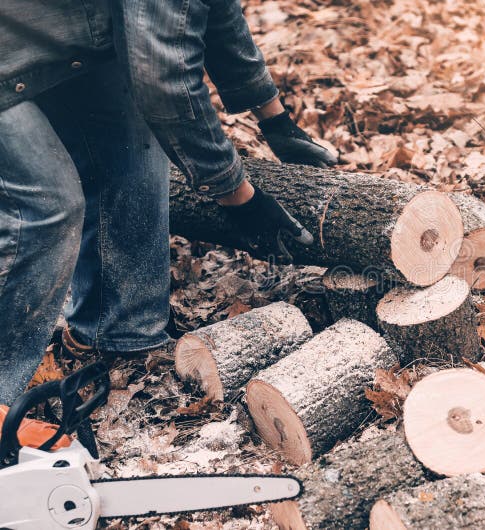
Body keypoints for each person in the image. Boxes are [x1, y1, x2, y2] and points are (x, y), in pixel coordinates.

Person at [0, 0, 334, 404]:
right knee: (47, 206)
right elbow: (164, 78)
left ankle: (123, 338)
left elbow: (214, 10)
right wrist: (238, 196)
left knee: (131, 148)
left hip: (60, 34)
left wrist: (273, 116)